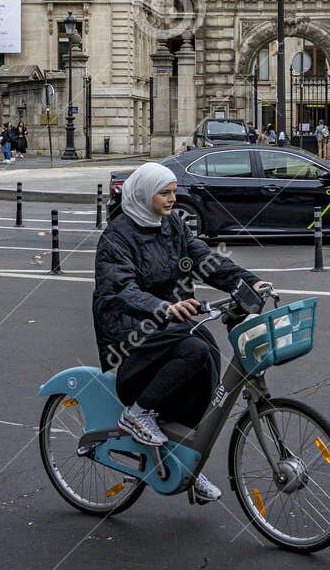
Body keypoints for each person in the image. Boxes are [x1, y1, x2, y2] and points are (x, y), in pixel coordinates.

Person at [92, 163, 265, 506]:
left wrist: (247, 281)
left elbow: (203, 259)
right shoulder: (117, 235)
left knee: (209, 355)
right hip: (129, 327)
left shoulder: (171, 224)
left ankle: (184, 456)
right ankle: (137, 413)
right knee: (194, 350)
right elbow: (121, 288)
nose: (172, 199)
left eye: (174, 192)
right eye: (165, 193)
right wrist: (163, 307)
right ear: (144, 194)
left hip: (166, 321)